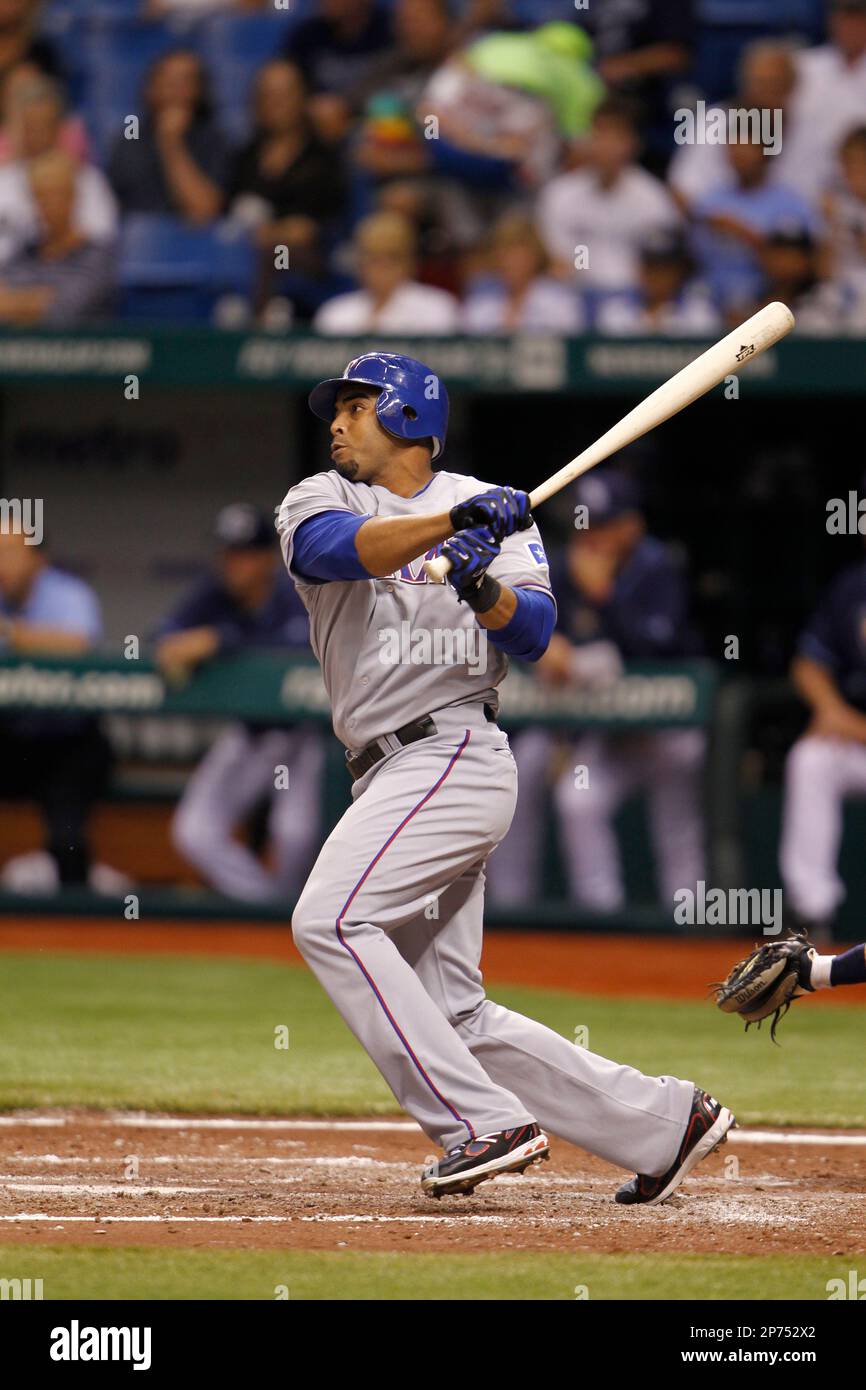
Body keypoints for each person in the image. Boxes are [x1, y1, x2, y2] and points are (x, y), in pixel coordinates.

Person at [275, 349, 734, 1206]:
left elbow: (530, 636)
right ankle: (664, 1124)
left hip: (454, 753)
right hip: (387, 774)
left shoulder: (502, 516)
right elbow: (342, 552)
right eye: (334, 408)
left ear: (409, 415)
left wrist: (482, 578)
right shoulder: (321, 497)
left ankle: (478, 1124)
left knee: (331, 920)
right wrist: (453, 530)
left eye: (356, 406)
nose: (335, 422)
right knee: (454, 1014)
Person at [488, 468, 706, 914]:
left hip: (668, 728)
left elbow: (654, 647)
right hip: (606, 732)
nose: (592, 538)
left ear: (632, 526)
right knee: (578, 798)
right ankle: (601, 921)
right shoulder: (566, 567)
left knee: (678, 825)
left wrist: (605, 595)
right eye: (585, 527)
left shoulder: (658, 565)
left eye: (604, 527)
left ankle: (689, 926)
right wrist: (549, 649)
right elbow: (554, 641)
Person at [155, 504, 324, 904]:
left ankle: (294, 915)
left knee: (293, 834)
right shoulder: (212, 592)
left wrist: (219, 639)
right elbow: (163, 634)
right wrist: (183, 641)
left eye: (244, 554)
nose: (233, 564)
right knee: (193, 831)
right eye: (227, 553)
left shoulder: (296, 594)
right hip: (252, 734)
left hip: (306, 736)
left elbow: (294, 650)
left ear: (268, 558)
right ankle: (268, 909)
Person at [0, 528, 114, 893]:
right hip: (11, 738)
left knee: (68, 840)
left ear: (38, 559)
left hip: (69, 742)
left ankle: (80, 929)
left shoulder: (67, 593)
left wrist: (12, 635)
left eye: (9, 551)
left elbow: (77, 643)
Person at [779, 537, 866, 941]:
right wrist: (831, 709)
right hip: (856, 741)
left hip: (858, 732)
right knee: (811, 759)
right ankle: (811, 916)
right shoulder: (853, 585)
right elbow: (808, 664)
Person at [226, 59, 347, 317]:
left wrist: (270, 234)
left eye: (284, 95)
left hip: (310, 260)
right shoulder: (245, 157)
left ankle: (258, 324)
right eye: (267, 95)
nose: (275, 103)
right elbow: (226, 216)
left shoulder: (322, 159)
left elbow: (309, 230)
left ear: (303, 98)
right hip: (247, 255)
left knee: (276, 252)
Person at [536, 97, 680, 301]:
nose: (606, 145)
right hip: (576, 296)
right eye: (600, 133)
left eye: (616, 136)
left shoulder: (653, 199)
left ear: (633, 143)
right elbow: (561, 258)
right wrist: (579, 273)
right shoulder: (559, 194)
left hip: (633, 298)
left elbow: (659, 265)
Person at [691, 136, 822, 322]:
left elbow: (807, 263)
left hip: (770, 300)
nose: (739, 153)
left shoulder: (790, 202)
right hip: (712, 302)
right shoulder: (709, 200)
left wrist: (749, 236)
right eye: (734, 146)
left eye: (747, 147)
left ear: (765, 152)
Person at [0, 72, 117, 265]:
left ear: (59, 128)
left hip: (71, 275)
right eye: (29, 127)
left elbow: (101, 242)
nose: (35, 135)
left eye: (43, 125)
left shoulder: (87, 180)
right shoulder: (3, 179)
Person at [107, 50, 228, 222]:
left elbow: (203, 212)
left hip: (195, 242)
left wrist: (171, 143)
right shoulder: (130, 135)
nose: (175, 90)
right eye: (167, 80)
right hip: (136, 241)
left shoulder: (215, 140)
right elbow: (111, 209)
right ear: (150, 88)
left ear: (200, 91)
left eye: (186, 81)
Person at [0, 150, 115, 324]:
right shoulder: (22, 254)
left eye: (53, 195)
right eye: (38, 196)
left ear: (73, 196)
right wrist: (37, 300)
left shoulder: (97, 256)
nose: (45, 206)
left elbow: (67, 308)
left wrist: (15, 303)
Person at [313, 209, 458, 333]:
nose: (382, 266)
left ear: (411, 261)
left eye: (392, 256)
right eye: (373, 257)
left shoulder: (438, 308)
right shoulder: (335, 312)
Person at [283, 0, 392, 145]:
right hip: (315, 128)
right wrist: (310, 106)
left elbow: (401, 83)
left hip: (374, 127)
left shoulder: (391, 30)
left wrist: (346, 107)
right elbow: (287, 81)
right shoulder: (306, 35)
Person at [462, 210, 584, 333]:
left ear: (535, 256)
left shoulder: (558, 300)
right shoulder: (482, 301)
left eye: (516, 253)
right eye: (503, 252)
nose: (508, 261)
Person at [595, 228, 719, 336]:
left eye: (664, 270)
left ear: (678, 273)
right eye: (651, 269)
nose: (657, 277)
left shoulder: (698, 311)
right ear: (640, 271)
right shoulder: (617, 309)